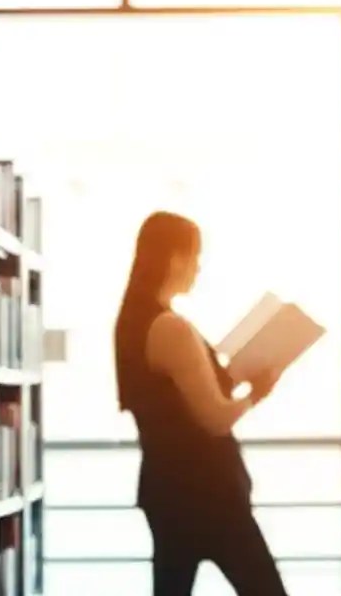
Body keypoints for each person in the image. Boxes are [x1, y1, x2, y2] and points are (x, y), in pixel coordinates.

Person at [114, 211, 289, 596]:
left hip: (168, 488)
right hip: (209, 493)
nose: (197, 267)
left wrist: (233, 379)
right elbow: (213, 418)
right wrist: (255, 393)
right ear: (174, 258)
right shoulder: (171, 328)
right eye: (194, 255)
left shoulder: (133, 322)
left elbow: (178, 401)